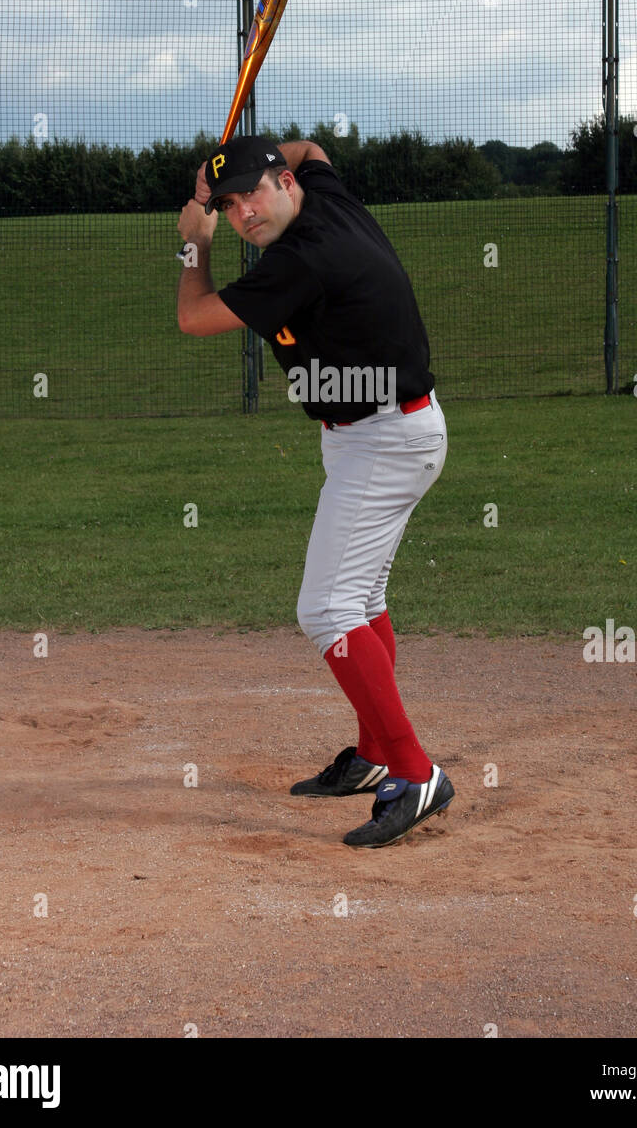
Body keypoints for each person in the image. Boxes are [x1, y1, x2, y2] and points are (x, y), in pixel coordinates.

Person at [176, 135, 453, 848]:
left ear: (283, 184)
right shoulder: (326, 198)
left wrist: (194, 242)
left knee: (325, 609)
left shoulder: (300, 261)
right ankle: (374, 755)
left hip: (383, 442)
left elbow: (193, 317)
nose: (243, 214)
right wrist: (228, 168)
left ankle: (415, 771)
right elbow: (311, 146)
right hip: (386, 431)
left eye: (253, 194)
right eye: (230, 206)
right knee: (361, 601)